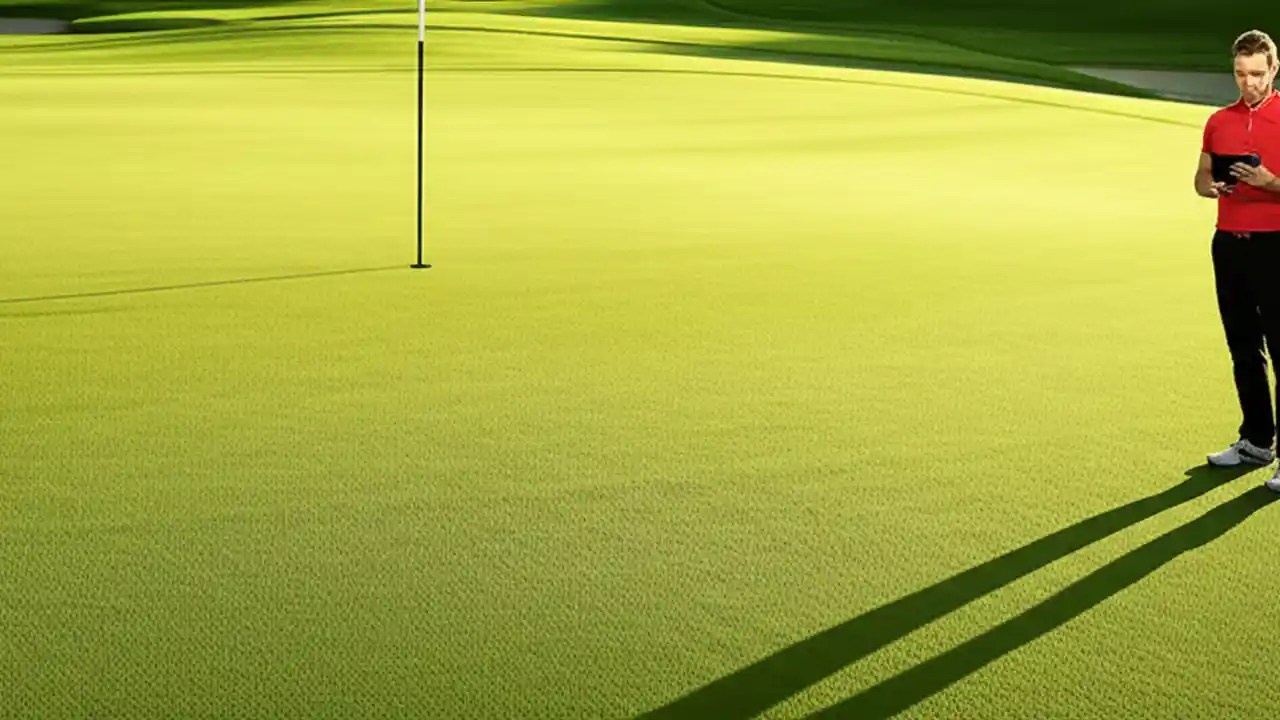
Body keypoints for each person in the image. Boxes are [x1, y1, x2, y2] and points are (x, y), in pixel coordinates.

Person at [1198, 29, 1280, 490]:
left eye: (1255, 74)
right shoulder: (1218, 120)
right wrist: (1211, 187)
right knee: (1243, 347)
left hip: (1276, 243)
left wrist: (1271, 183)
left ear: (1273, 70)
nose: (1247, 83)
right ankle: (1255, 440)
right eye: (1239, 74)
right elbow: (1201, 176)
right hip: (1228, 243)